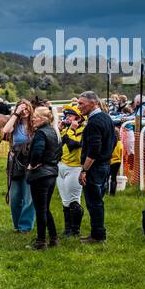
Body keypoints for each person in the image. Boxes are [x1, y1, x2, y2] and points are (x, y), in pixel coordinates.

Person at [76, 90, 118, 243]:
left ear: (92, 103)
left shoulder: (94, 122)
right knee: (97, 201)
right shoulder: (106, 118)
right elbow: (114, 140)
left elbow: (94, 149)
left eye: (81, 103)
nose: (78, 106)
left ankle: (98, 235)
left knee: (94, 203)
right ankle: (98, 233)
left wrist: (84, 170)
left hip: (95, 167)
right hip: (105, 164)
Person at [25, 106, 61, 249]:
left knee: (40, 209)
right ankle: (54, 238)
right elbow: (59, 153)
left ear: (43, 119)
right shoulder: (54, 131)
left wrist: (32, 164)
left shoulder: (40, 133)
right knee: (45, 208)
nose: (32, 119)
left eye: (35, 116)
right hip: (51, 173)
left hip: (40, 175)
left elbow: (37, 152)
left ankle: (41, 242)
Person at [0, 100, 36, 233]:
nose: (25, 111)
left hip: (31, 162)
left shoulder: (34, 124)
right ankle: (17, 225)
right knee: (15, 197)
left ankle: (25, 227)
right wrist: (16, 113)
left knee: (28, 197)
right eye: (22, 109)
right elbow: (5, 130)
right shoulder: (15, 123)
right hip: (15, 162)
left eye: (27, 109)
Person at [56, 104, 86, 238]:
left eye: (70, 115)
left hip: (75, 168)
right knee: (65, 200)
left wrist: (70, 130)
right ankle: (67, 229)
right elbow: (59, 145)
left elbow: (73, 145)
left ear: (79, 118)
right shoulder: (65, 130)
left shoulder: (83, 130)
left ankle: (75, 230)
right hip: (61, 166)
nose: (67, 117)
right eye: (66, 115)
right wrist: (59, 130)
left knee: (74, 200)